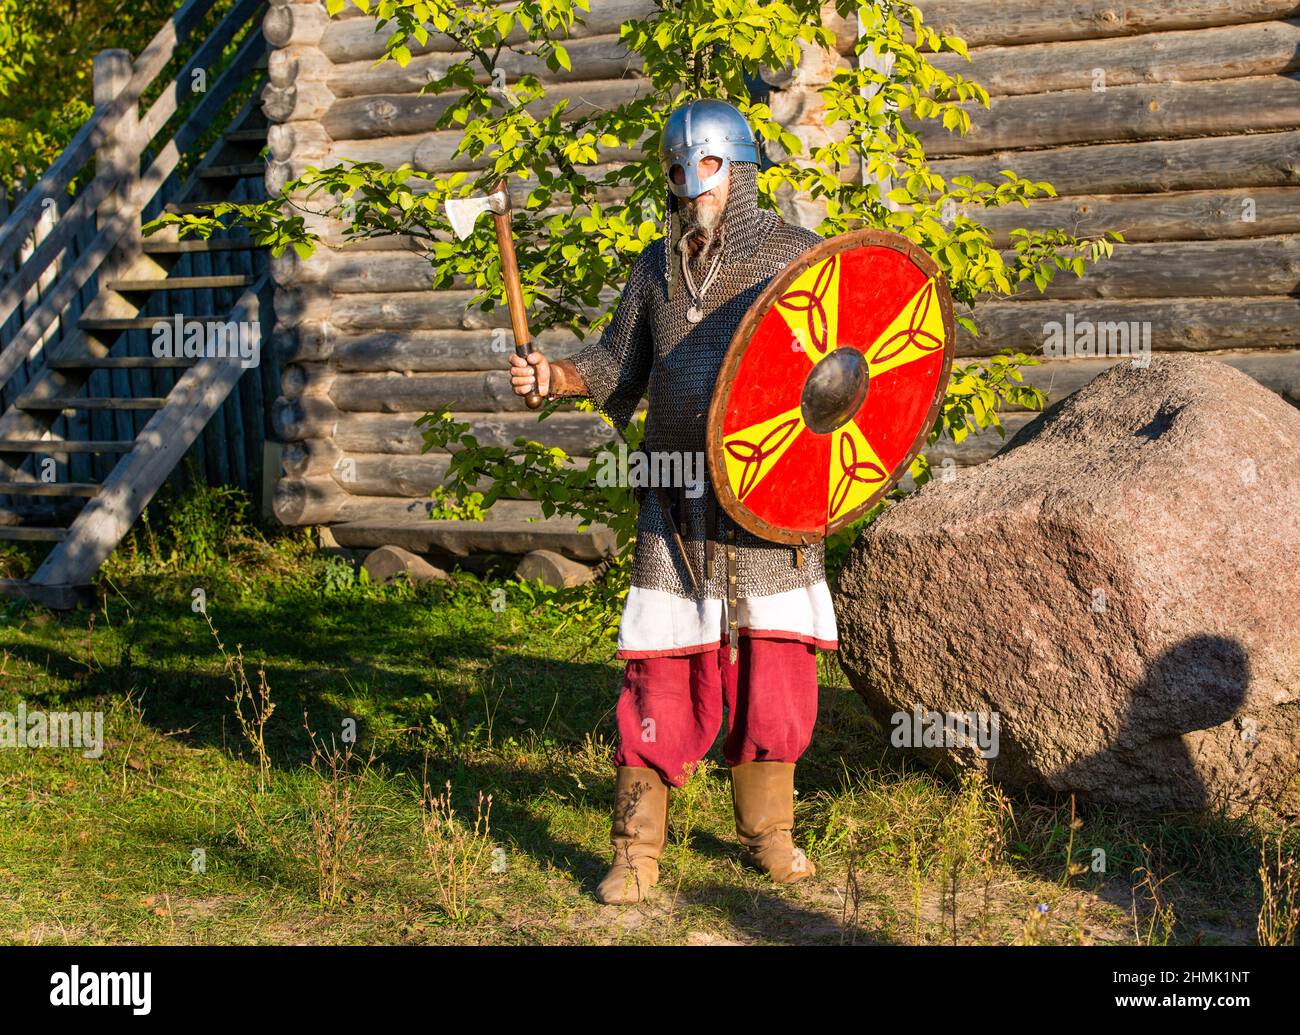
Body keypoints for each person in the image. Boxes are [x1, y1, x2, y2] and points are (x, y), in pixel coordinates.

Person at [508, 99, 838, 904]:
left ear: (743, 168)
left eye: (712, 167)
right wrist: (553, 375)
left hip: (768, 501)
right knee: (660, 673)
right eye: (681, 171)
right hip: (676, 498)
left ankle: (770, 835)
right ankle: (634, 848)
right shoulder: (655, 269)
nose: (696, 185)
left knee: (774, 674)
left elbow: (838, 378)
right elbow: (618, 360)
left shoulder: (795, 257)